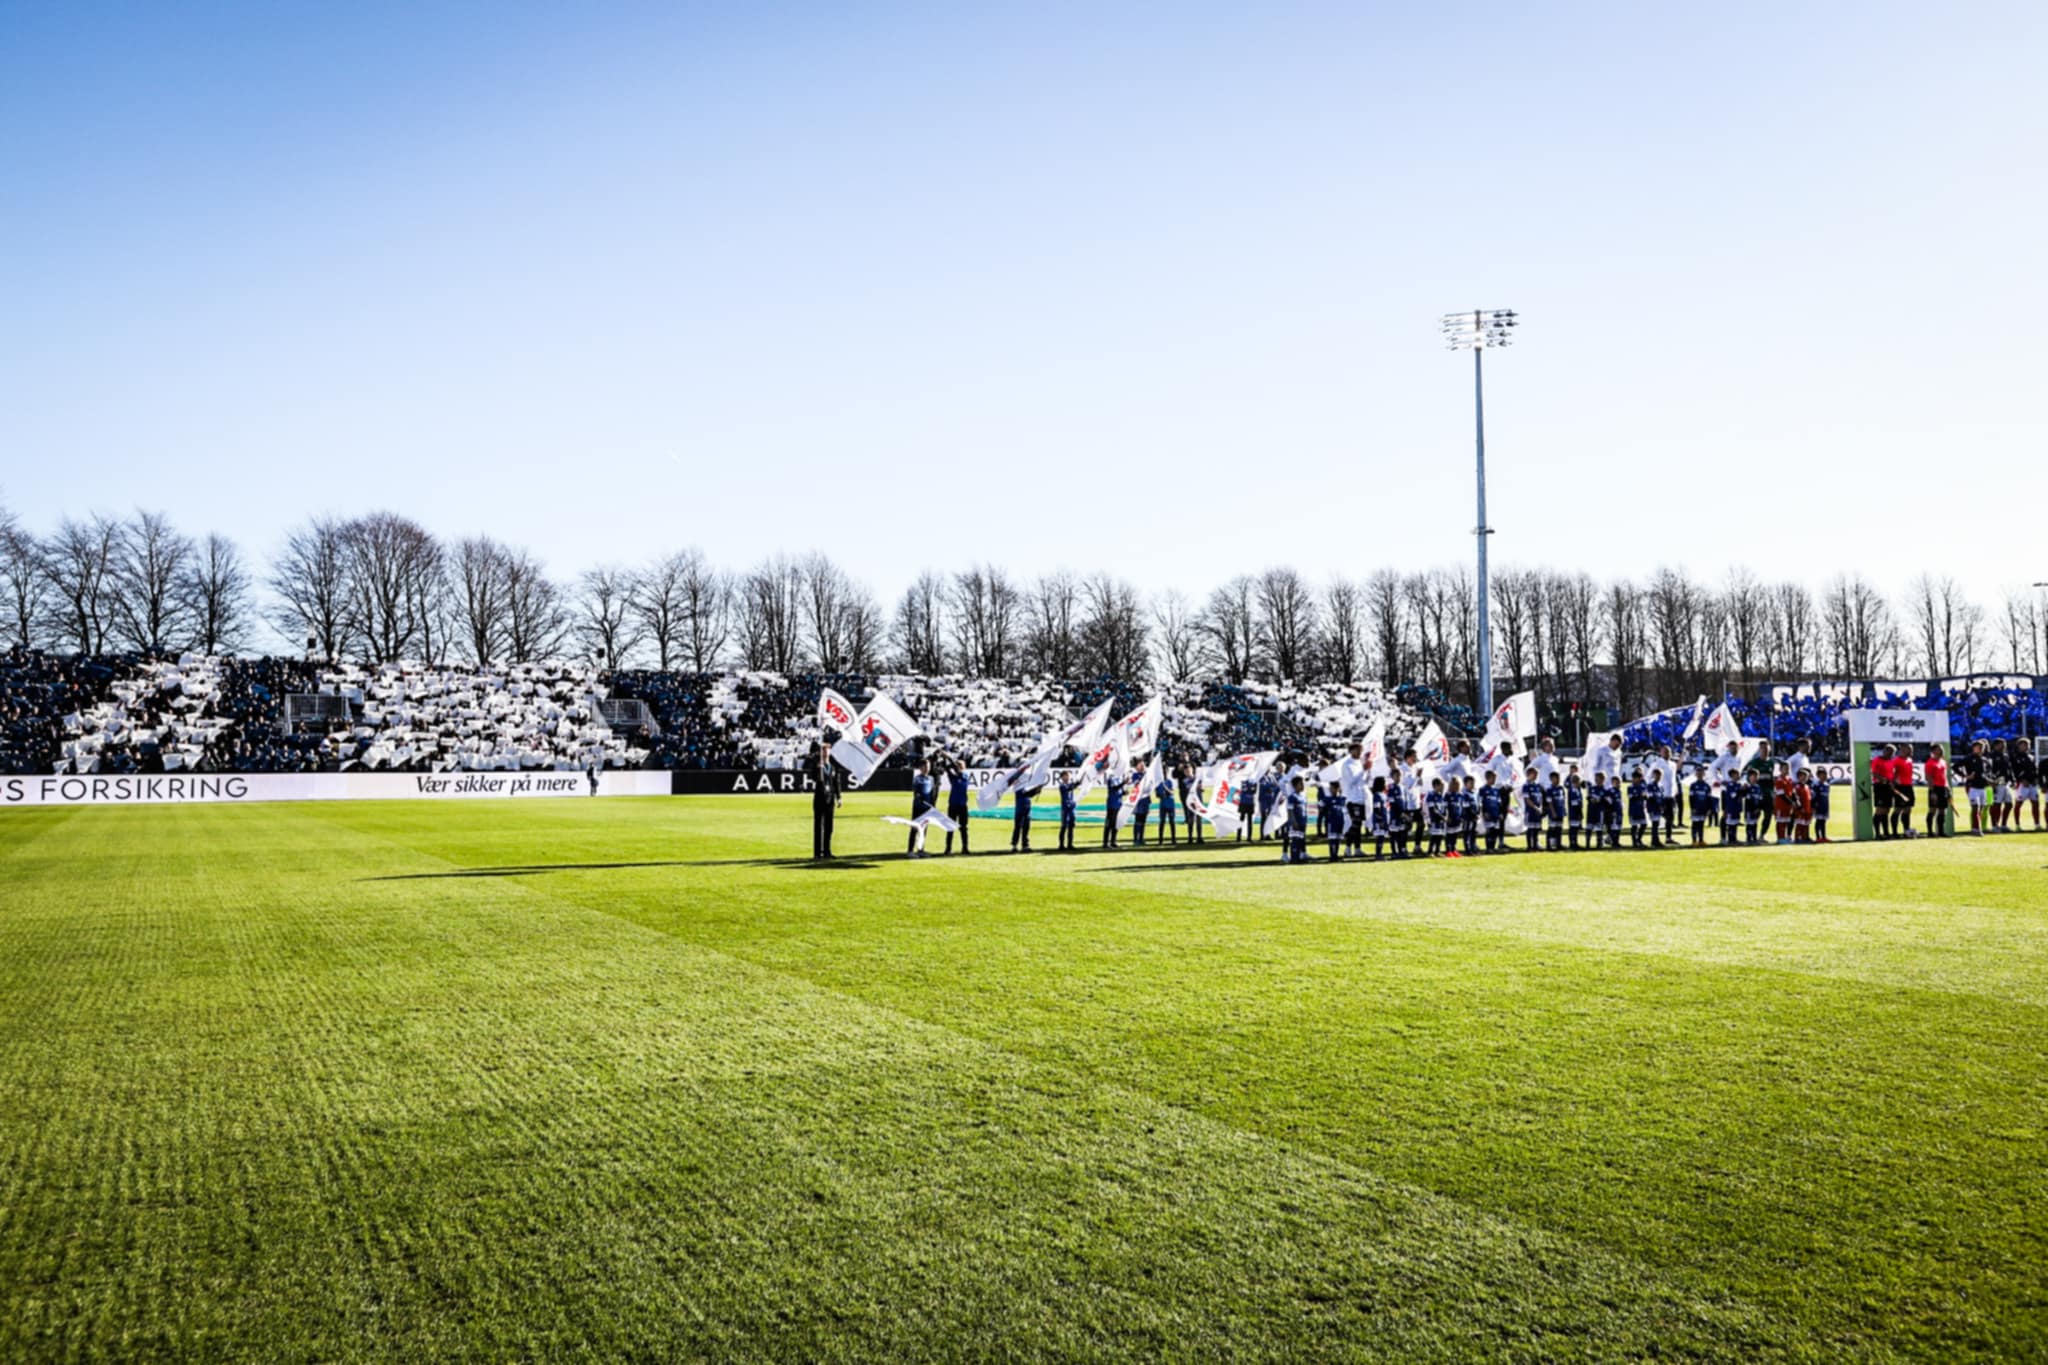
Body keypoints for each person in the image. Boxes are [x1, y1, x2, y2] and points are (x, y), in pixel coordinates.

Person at [808, 740, 843, 860]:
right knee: (818, 827)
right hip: (819, 798)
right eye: (823, 749)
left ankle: (827, 851)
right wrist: (818, 769)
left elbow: (836, 783)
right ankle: (817, 853)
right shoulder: (817, 765)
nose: (825, 752)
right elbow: (813, 778)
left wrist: (839, 797)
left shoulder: (832, 767)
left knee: (829, 827)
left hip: (830, 799)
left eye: (827, 749)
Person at [1340, 742, 1369, 860]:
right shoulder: (1347, 764)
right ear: (1351, 751)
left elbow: (1363, 780)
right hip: (1352, 798)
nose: (1359, 753)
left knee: (1359, 825)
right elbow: (1351, 781)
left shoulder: (1360, 763)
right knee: (1355, 824)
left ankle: (1357, 848)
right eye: (1357, 750)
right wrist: (1363, 770)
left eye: (1360, 750)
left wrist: (1366, 770)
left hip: (1361, 797)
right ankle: (1347, 847)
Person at [907, 758, 937, 858]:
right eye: (925, 766)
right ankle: (910, 851)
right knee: (915, 828)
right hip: (918, 807)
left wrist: (932, 805)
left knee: (924, 829)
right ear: (921, 767)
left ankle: (921, 849)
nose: (927, 768)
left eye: (929, 766)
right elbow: (916, 791)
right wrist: (919, 796)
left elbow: (932, 793)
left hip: (926, 808)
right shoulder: (917, 778)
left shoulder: (931, 779)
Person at [1961, 739, 1992, 835]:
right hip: (1972, 787)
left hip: (1982, 787)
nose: (1980, 749)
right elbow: (1956, 767)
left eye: (1982, 747)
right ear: (1973, 748)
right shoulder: (1969, 758)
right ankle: (1976, 829)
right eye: (1978, 747)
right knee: (1975, 807)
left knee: (1981, 808)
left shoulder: (1985, 760)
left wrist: (1989, 781)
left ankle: (1977, 827)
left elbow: (1985, 773)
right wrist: (1966, 776)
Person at [944, 762, 972, 855]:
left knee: (963, 827)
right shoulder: (953, 777)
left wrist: (954, 764)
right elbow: (947, 768)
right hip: (953, 805)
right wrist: (949, 761)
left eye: (960, 766)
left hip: (962, 805)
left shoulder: (965, 776)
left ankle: (965, 847)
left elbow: (960, 773)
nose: (959, 768)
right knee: (950, 827)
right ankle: (948, 848)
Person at [1924, 743, 1951, 838]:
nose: (1941, 750)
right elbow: (1928, 778)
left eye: (1941, 749)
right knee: (1933, 810)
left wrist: (1948, 788)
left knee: (1943, 810)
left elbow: (1945, 776)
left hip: (1943, 788)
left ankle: (1941, 832)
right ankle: (1930, 832)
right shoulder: (1930, 763)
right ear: (1933, 751)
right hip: (1935, 788)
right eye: (1939, 749)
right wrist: (1933, 792)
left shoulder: (1943, 762)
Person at [1891, 745, 1916, 839]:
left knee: (1908, 809)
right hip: (1900, 787)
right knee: (1898, 809)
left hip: (1909, 786)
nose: (1910, 751)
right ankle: (1894, 832)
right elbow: (1892, 773)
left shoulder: (1910, 760)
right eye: (1908, 749)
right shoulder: (1896, 760)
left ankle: (1906, 830)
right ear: (1902, 750)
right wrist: (1894, 785)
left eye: (1911, 749)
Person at [1285, 775, 1310, 864]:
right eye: (1301, 784)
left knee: (1301, 840)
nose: (1303, 785)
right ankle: (1294, 859)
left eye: (1303, 783)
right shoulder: (1292, 797)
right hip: (1296, 823)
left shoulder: (1303, 796)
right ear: (1295, 786)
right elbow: (1290, 810)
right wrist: (1293, 821)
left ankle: (1300, 857)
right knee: (1295, 840)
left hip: (1302, 822)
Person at [1479, 771, 1506, 854]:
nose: (1494, 780)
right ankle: (1488, 848)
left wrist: (1500, 813)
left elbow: (1499, 803)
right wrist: (1483, 812)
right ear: (1488, 778)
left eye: (1495, 778)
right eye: (1493, 778)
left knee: (1495, 831)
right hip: (1488, 813)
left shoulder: (1496, 790)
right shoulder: (1483, 790)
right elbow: (1480, 803)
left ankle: (1493, 848)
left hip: (1496, 814)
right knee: (1489, 831)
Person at [1319, 778, 1345, 860]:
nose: (1330, 790)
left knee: (1338, 839)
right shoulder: (1327, 799)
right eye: (1330, 788)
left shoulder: (1342, 799)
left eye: (1332, 788)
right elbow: (1320, 806)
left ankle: (1336, 854)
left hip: (1340, 822)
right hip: (1331, 822)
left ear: (1337, 788)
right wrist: (1325, 812)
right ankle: (1332, 856)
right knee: (1332, 839)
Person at [1521, 766, 1546, 852]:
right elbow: (1527, 799)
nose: (1536, 776)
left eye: (1537, 774)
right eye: (1535, 774)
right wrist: (1535, 807)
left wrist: (1540, 807)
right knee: (1530, 829)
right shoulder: (1526, 786)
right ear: (1529, 774)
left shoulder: (1537, 786)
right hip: (1530, 811)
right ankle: (1529, 847)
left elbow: (1540, 798)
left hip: (1537, 811)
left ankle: (1535, 846)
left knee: (1536, 829)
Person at [1719, 767, 1744, 845]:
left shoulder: (1739, 785)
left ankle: (1734, 838)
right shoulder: (1730, 785)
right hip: (1731, 807)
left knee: (1735, 823)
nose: (1738, 776)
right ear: (1732, 775)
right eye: (1737, 774)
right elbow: (1733, 795)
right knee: (1731, 824)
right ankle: (1731, 839)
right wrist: (1741, 791)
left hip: (1737, 807)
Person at [1424, 777, 1449, 857]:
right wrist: (1442, 817)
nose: (1443, 787)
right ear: (1436, 785)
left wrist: (1445, 815)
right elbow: (1432, 809)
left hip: (1441, 819)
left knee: (1440, 835)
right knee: (1434, 836)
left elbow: (1444, 807)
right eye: (1441, 785)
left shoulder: (1441, 796)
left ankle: (1437, 851)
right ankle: (1430, 851)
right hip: (1434, 819)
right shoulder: (1431, 795)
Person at [1011, 780, 1038, 852]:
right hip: (1020, 809)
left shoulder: (1025, 786)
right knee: (1018, 827)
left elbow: (1029, 794)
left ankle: (1024, 845)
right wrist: (1035, 790)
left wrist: (1037, 790)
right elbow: (1026, 794)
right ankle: (1015, 845)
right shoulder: (1018, 787)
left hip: (1027, 808)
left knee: (1026, 827)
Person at [1688, 769, 1713, 846]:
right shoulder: (1693, 785)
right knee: (1695, 824)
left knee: (1701, 825)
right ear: (1696, 774)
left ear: (1704, 774)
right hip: (1696, 808)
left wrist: (1709, 808)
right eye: (1698, 773)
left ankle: (1701, 840)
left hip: (1703, 808)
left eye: (1701, 773)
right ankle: (1694, 841)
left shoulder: (1707, 786)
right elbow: (1691, 798)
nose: (1700, 775)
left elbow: (1709, 798)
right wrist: (1692, 808)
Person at [1057, 771, 1080, 851]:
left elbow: (1072, 787)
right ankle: (1061, 845)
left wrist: (1078, 783)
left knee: (1071, 826)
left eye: (1068, 776)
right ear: (1062, 777)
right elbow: (1069, 788)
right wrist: (1076, 784)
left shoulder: (1069, 785)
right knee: (1064, 826)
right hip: (1065, 808)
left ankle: (1070, 844)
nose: (1067, 777)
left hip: (1071, 808)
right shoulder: (1062, 786)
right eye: (1066, 776)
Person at [1101, 770, 1125, 849]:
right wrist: (1123, 783)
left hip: (1118, 804)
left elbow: (1119, 791)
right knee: (1109, 823)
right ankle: (1105, 842)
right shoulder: (1111, 778)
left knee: (1116, 823)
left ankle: (1113, 841)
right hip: (1111, 804)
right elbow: (1114, 788)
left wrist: (1124, 792)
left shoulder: (1119, 778)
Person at [1544, 770, 1566, 851]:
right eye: (1556, 778)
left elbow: (1563, 800)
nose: (1558, 780)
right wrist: (1553, 812)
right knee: (1551, 828)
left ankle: (1558, 844)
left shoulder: (1561, 788)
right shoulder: (1549, 789)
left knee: (1559, 828)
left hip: (1560, 812)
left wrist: (1563, 810)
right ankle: (1548, 845)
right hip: (1553, 812)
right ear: (1551, 779)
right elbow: (1549, 802)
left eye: (1559, 778)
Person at [1155, 771, 1179, 845]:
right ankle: (1160, 840)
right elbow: (1157, 795)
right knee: (1162, 822)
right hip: (1163, 804)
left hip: (1170, 804)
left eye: (1165, 772)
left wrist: (1166, 788)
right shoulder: (1158, 783)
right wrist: (1160, 794)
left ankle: (1173, 839)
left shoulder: (1170, 781)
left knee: (1172, 822)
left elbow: (1172, 792)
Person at [1565, 767, 1586, 851]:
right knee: (1573, 828)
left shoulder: (1577, 789)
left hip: (1575, 811)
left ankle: (1575, 842)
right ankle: (1572, 843)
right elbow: (1574, 803)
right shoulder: (1573, 790)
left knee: (1575, 828)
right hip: (1574, 812)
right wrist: (1580, 812)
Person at [1810, 769, 1832, 843]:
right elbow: (1813, 796)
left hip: (1825, 806)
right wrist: (1813, 805)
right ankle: (1818, 837)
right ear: (1818, 776)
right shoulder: (1816, 785)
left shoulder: (1827, 785)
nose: (1825, 776)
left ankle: (1823, 837)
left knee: (1823, 821)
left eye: (1825, 774)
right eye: (1823, 775)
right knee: (1818, 821)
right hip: (1818, 806)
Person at [1131, 777, 1152, 847]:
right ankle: (1135, 839)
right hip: (1138, 803)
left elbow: (1148, 790)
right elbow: (1137, 786)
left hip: (1145, 802)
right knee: (1137, 822)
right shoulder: (1136, 776)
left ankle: (1141, 838)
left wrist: (1149, 801)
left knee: (1143, 822)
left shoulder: (1147, 777)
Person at [1235, 774, 1256, 842]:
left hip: (1250, 802)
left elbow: (1254, 791)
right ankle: (1238, 837)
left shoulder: (1253, 781)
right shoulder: (1243, 780)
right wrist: (1250, 787)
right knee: (1241, 820)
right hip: (1243, 802)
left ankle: (1249, 837)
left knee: (1249, 820)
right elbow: (1245, 789)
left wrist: (1251, 787)